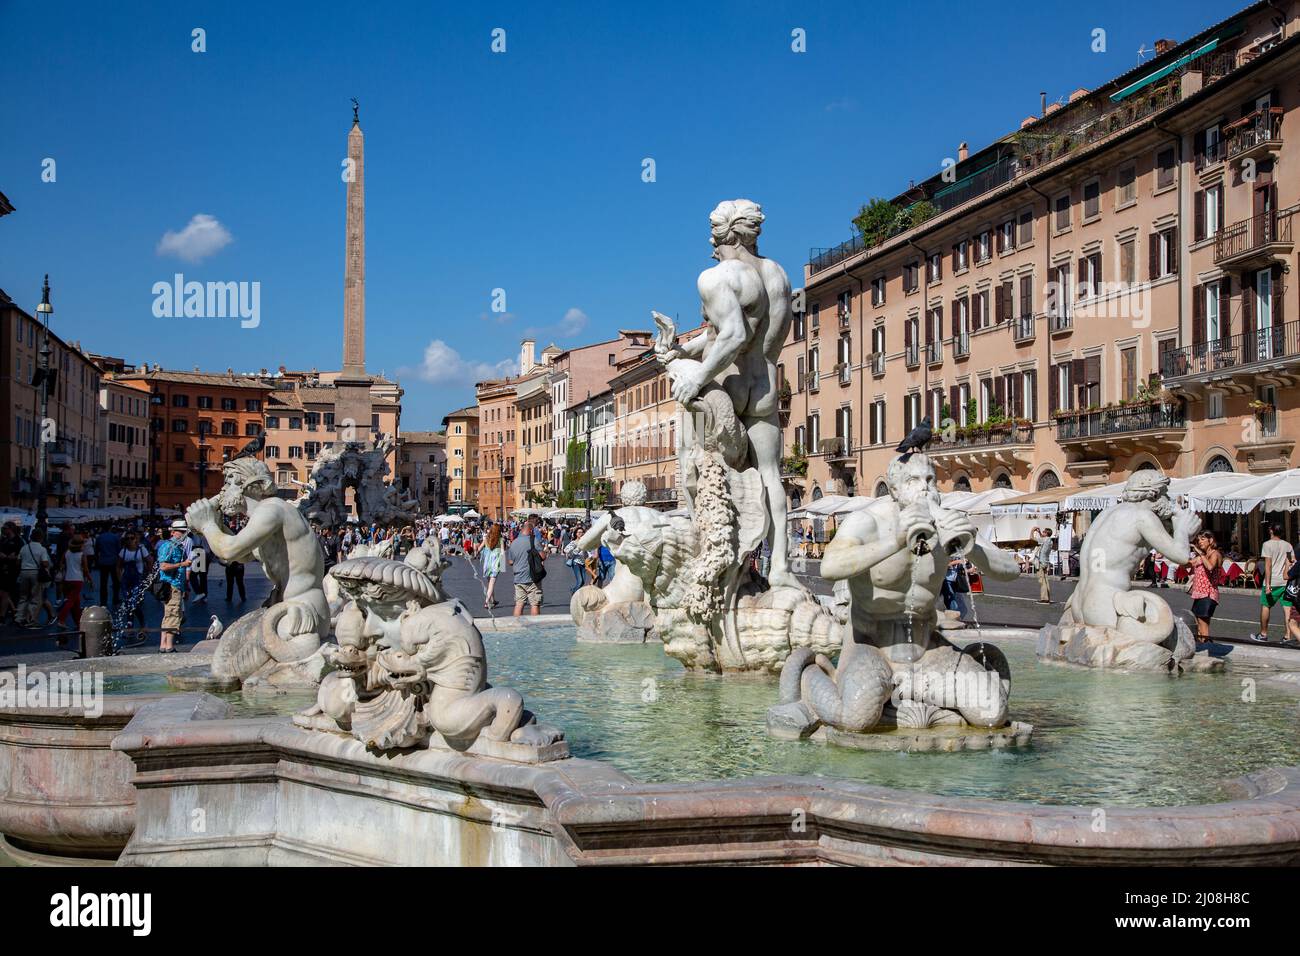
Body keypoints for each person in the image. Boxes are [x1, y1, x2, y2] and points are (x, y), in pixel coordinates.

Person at [1251, 523, 1295, 643]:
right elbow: (1292, 561)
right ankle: (1288, 636)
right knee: (1287, 609)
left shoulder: (1267, 545)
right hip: (1285, 582)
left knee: (1266, 606)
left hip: (1272, 581)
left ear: (1271, 531)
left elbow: (1268, 565)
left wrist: (1268, 585)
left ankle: (1263, 634)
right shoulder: (1287, 545)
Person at [155, 520, 192, 653]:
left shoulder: (179, 546)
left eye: (184, 532)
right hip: (171, 586)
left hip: (177, 586)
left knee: (169, 615)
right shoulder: (168, 546)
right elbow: (163, 566)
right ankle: (169, 646)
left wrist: (185, 587)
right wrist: (182, 564)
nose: (183, 534)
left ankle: (164, 645)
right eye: (180, 532)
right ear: (172, 532)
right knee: (173, 615)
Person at [1186, 530, 1222, 647]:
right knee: (1197, 624)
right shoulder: (1202, 556)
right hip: (1199, 594)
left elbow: (1210, 566)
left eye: (1202, 539)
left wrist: (1200, 554)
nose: (1199, 542)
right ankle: (1203, 646)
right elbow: (1187, 564)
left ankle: (1207, 649)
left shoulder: (1214, 554)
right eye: (1198, 539)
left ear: (1210, 540)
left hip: (1208, 594)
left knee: (1203, 625)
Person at [55, 535, 94, 642]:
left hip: (67, 579)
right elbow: (85, 570)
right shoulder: (82, 555)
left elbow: (61, 564)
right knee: (71, 601)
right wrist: (90, 580)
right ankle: (62, 619)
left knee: (75, 602)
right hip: (77, 579)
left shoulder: (67, 552)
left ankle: (78, 623)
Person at [117, 530, 152, 645]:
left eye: (132, 538)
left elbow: (149, 561)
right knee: (128, 602)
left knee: (134, 602)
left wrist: (148, 576)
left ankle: (141, 623)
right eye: (127, 538)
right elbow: (119, 565)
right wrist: (119, 579)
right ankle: (130, 624)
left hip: (137, 580)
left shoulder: (142, 549)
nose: (130, 540)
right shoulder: (123, 551)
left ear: (136, 539)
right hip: (126, 580)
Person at [508, 518, 544, 616]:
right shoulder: (534, 541)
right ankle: (535, 628)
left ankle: (517, 627)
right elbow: (543, 557)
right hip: (532, 578)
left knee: (519, 604)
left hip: (518, 578)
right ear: (531, 531)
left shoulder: (513, 543)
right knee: (534, 604)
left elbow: (510, 562)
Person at [16, 529, 52, 628]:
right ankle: (31, 620)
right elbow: (45, 563)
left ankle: (19, 618)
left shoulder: (24, 547)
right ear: (41, 538)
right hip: (35, 573)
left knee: (23, 597)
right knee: (35, 598)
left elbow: (18, 562)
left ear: (31, 536)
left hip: (23, 572)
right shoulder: (42, 549)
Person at [94, 524, 121, 607]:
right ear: (110, 528)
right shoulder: (115, 537)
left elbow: (96, 550)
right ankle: (115, 599)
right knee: (116, 582)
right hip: (113, 562)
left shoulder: (99, 537)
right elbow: (119, 550)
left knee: (103, 583)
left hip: (103, 562)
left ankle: (103, 601)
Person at [480, 523, 505, 609]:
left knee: (490, 583)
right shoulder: (500, 539)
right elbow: (502, 552)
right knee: (491, 584)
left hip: (487, 564)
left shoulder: (486, 538)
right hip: (495, 564)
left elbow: (479, 548)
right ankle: (486, 602)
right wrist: (502, 567)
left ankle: (493, 600)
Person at [1032, 527, 1053, 604]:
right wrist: (1040, 532)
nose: (1043, 533)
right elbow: (1042, 538)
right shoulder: (1050, 541)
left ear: (1046, 533)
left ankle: (1044, 599)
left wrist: (1032, 530)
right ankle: (1048, 598)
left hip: (1041, 562)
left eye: (1044, 532)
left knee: (1042, 581)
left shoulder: (1044, 539)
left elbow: (1032, 538)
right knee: (1046, 581)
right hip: (1046, 562)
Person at [189, 532, 209, 603]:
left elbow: (197, 545)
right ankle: (203, 596)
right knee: (203, 577)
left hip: (200, 555)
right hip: (205, 555)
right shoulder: (205, 535)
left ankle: (200, 593)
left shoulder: (196, 536)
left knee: (192, 576)